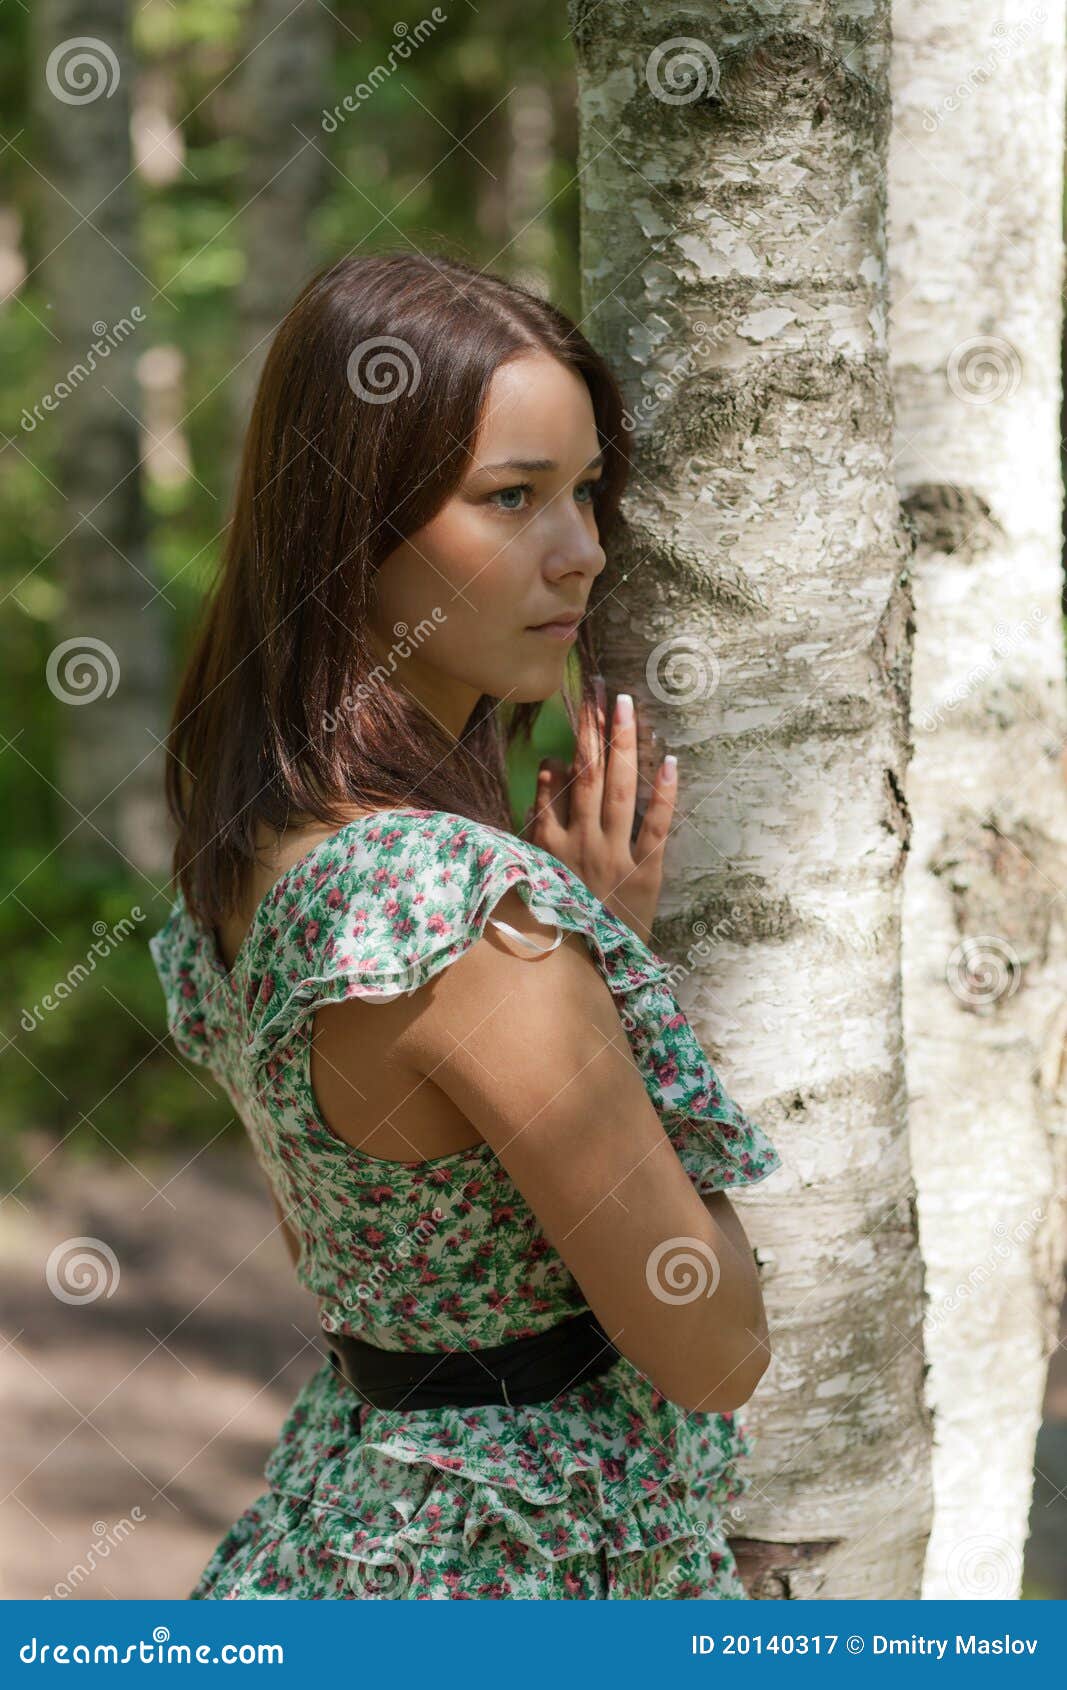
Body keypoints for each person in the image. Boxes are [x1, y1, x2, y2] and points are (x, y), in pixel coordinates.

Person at [148, 249, 781, 1600]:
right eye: (515, 498)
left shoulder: (256, 853)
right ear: (352, 530)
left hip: (354, 1530)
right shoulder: (456, 918)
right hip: (515, 1575)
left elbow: (382, 1245)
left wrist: (577, 952)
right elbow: (713, 1346)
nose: (586, 549)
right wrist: (594, 986)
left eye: (587, 489)